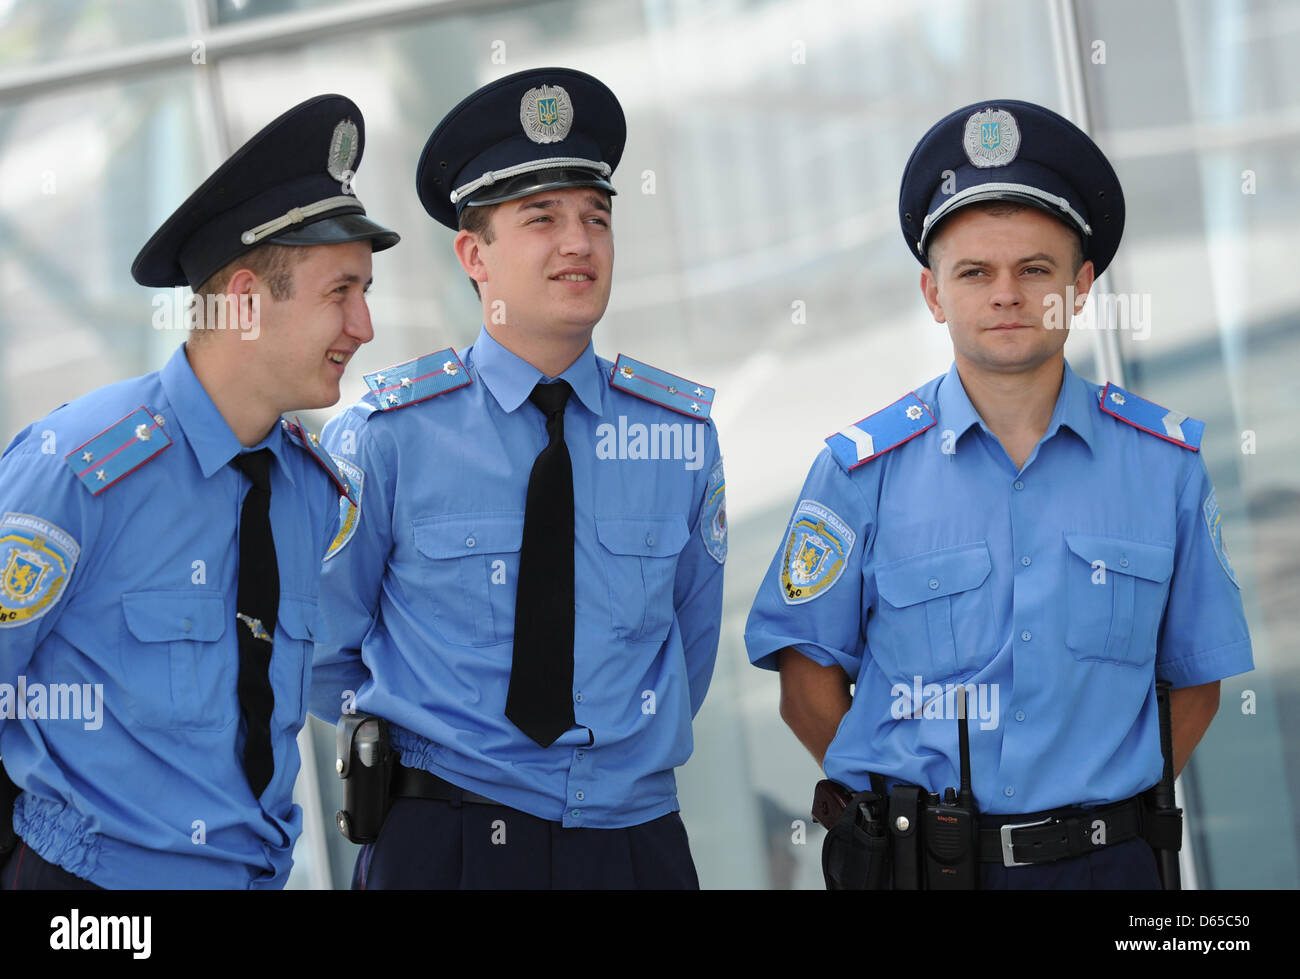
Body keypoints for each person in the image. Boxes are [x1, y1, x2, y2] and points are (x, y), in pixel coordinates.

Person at [744, 100, 1253, 889]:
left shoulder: (1165, 467)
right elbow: (808, 687)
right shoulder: (858, 473)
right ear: (933, 293)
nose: (1006, 293)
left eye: (1036, 269)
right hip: (923, 868)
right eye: (975, 271)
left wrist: (1098, 810)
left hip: (1107, 868)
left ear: (1081, 287)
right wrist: (902, 809)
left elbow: (1198, 679)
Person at [312, 67, 726, 889]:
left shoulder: (677, 436)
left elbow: (690, 647)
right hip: (448, 836)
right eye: (542, 219)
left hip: (630, 843)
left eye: (596, 219)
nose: (579, 242)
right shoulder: (389, 435)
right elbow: (324, 651)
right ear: (474, 255)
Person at [0, 94, 398, 889]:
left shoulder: (313, 489)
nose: (364, 324)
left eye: (366, 292)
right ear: (246, 300)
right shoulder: (83, 466)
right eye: (340, 292)